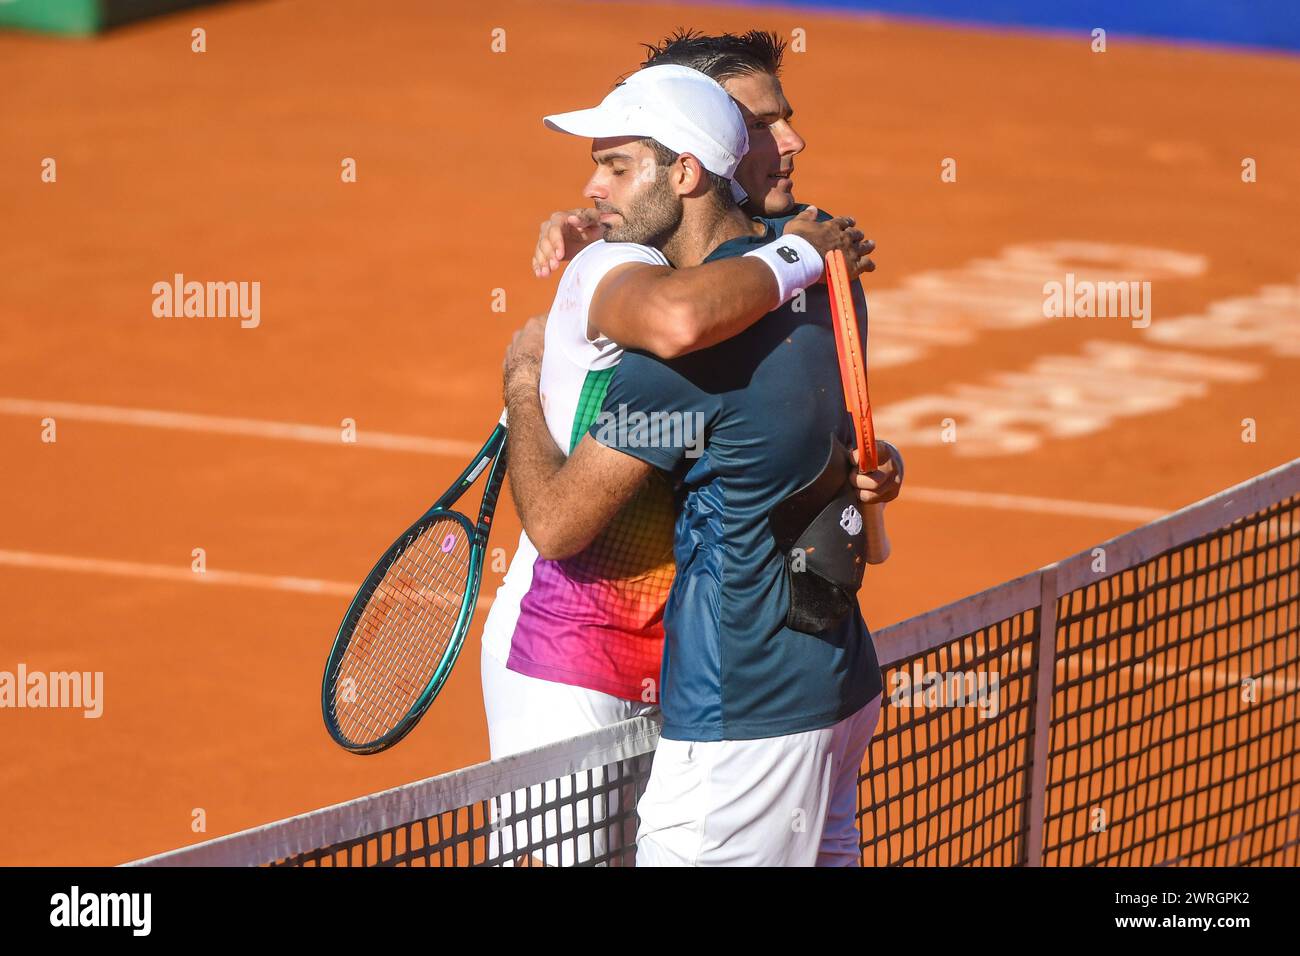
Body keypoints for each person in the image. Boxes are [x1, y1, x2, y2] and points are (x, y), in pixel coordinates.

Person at [480, 63, 882, 865]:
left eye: (617, 166)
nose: (593, 187)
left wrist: (858, 467)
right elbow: (681, 317)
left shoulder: (721, 326)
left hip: (714, 678)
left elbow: (698, 338)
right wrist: (806, 251)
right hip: (577, 656)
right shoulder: (806, 281)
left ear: (688, 170)